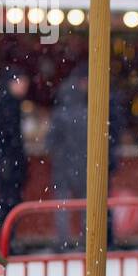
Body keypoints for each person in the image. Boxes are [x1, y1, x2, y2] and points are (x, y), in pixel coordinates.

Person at [48, 65, 89, 250]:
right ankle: (86, 240)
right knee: (85, 207)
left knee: (62, 207)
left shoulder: (59, 115)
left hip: (63, 166)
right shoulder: (89, 114)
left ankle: (63, 241)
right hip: (85, 165)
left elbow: (50, 142)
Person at [0, 68, 29, 233]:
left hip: (8, 162)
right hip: (9, 162)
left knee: (7, 202)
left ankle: (3, 239)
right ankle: (3, 239)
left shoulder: (7, 103)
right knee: (8, 202)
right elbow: (6, 136)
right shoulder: (8, 105)